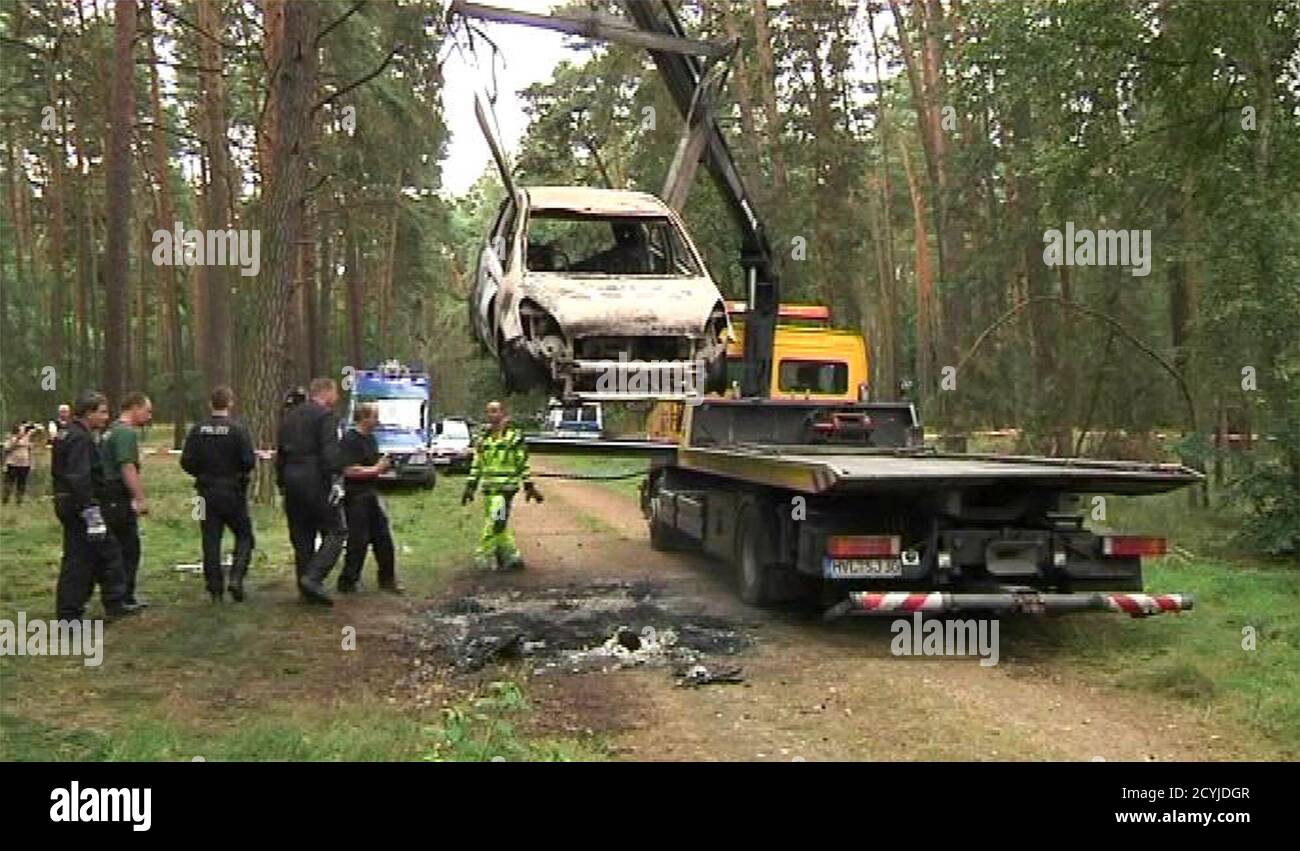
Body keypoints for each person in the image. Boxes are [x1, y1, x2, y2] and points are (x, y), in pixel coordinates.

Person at [52, 390, 133, 620]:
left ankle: (109, 603)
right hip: (80, 506)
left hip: (68, 502)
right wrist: (90, 510)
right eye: (102, 412)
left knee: (92, 556)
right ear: (88, 413)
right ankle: (72, 614)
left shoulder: (66, 434)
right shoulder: (80, 438)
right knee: (86, 558)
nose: (106, 417)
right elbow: (79, 475)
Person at [181, 386, 257, 602]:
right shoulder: (238, 429)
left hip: (204, 492)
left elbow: (186, 461)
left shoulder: (197, 429)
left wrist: (201, 473)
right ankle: (236, 577)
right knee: (244, 535)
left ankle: (214, 588)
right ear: (230, 403)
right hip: (232, 490)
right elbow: (248, 461)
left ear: (210, 404)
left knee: (210, 538)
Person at [276, 378, 346, 605]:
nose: (336, 399)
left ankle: (305, 589)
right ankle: (314, 577)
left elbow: (280, 454)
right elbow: (330, 451)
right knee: (336, 530)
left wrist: (281, 484)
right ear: (326, 393)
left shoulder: (289, 417)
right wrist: (336, 479)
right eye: (335, 394)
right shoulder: (326, 416)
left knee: (302, 535)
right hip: (315, 477)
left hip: (291, 478)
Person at [461, 400, 542, 571]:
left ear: (504, 414)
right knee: (500, 524)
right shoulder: (483, 439)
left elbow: (522, 463)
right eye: (489, 412)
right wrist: (471, 485)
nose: (492, 415)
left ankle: (482, 556)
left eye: (495, 411)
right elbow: (478, 463)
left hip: (506, 490)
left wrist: (528, 485)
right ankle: (513, 557)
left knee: (495, 522)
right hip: (489, 489)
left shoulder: (514, 438)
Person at [336, 402, 402, 594]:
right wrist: (376, 469)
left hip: (371, 494)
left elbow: (373, 467)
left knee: (383, 538)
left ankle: (387, 579)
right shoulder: (350, 440)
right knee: (358, 540)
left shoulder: (371, 439)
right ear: (364, 418)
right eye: (374, 416)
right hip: (355, 496)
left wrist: (384, 468)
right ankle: (348, 581)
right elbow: (349, 470)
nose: (377, 420)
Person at [100, 392, 152, 609]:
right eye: (147, 411)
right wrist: (140, 498)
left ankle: (116, 595)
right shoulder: (125, 433)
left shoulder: (111, 430)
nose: (149, 417)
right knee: (128, 548)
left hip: (106, 494)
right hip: (117, 495)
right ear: (135, 407)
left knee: (117, 547)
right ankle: (122, 597)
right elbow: (127, 466)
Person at [3, 423, 35, 505]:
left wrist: (31, 463)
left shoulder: (28, 439)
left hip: (24, 465)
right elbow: (7, 448)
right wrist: (17, 440)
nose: (23, 431)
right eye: (21, 429)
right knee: (9, 483)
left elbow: (30, 451)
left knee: (21, 484)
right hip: (12, 464)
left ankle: (19, 501)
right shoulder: (11, 437)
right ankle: (5, 500)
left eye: (23, 429)